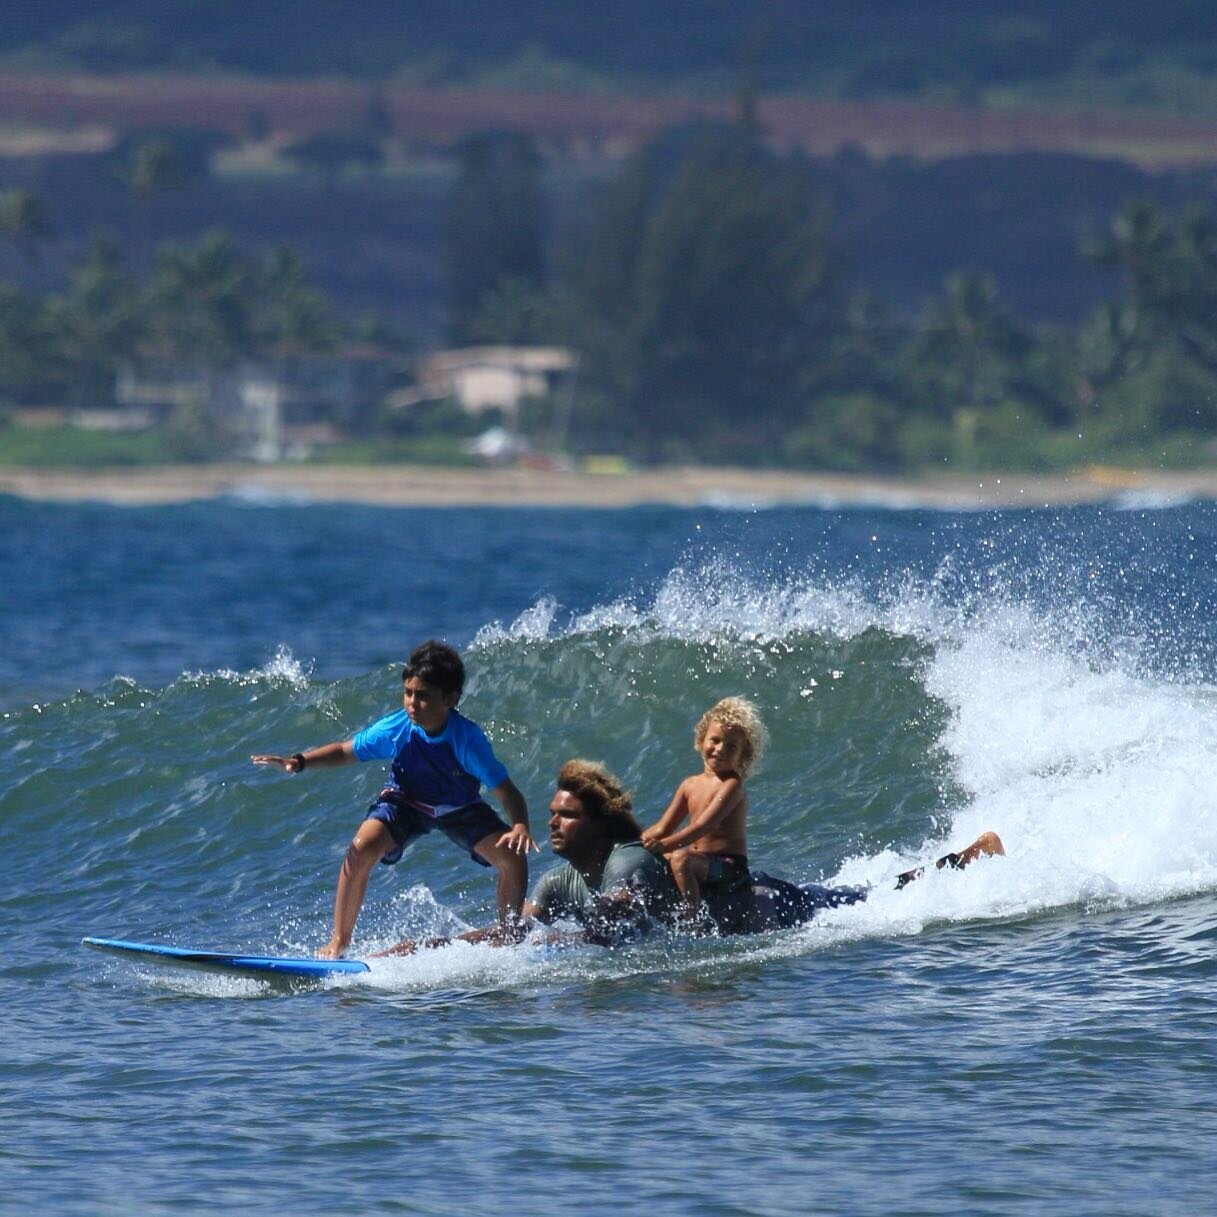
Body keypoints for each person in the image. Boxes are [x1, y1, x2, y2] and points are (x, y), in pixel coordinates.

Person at [374, 759, 1005, 956]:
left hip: (765, 907)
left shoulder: (626, 861)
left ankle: (969, 857)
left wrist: (561, 942)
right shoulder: (562, 878)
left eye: (566, 815)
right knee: (863, 892)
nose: (553, 823)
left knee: (873, 898)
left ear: (596, 822)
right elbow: (516, 932)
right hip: (745, 911)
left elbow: (623, 914)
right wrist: (424, 952)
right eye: (553, 814)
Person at [252, 639, 535, 958]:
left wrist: (520, 825)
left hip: (460, 807)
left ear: (450, 699)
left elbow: (507, 791)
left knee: (512, 857)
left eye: (423, 696)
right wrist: (300, 761)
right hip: (406, 802)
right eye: (408, 693)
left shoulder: (467, 740)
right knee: (361, 847)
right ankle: (338, 943)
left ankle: (509, 939)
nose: (412, 703)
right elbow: (347, 751)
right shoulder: (399, 728)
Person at [640, 696, 767, 931]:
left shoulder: (732, 786)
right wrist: (638, 841)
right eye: (715, 740)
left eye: (731, 746)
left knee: (680, 857)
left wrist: (666, 845)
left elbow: (704, 826)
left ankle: (693, 918)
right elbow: (662, 828)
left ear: (743, 755)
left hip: (728, 867)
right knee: (657, 857)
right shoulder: (689, 784)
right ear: (701, 740)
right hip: (701, 862)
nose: (720, 749)